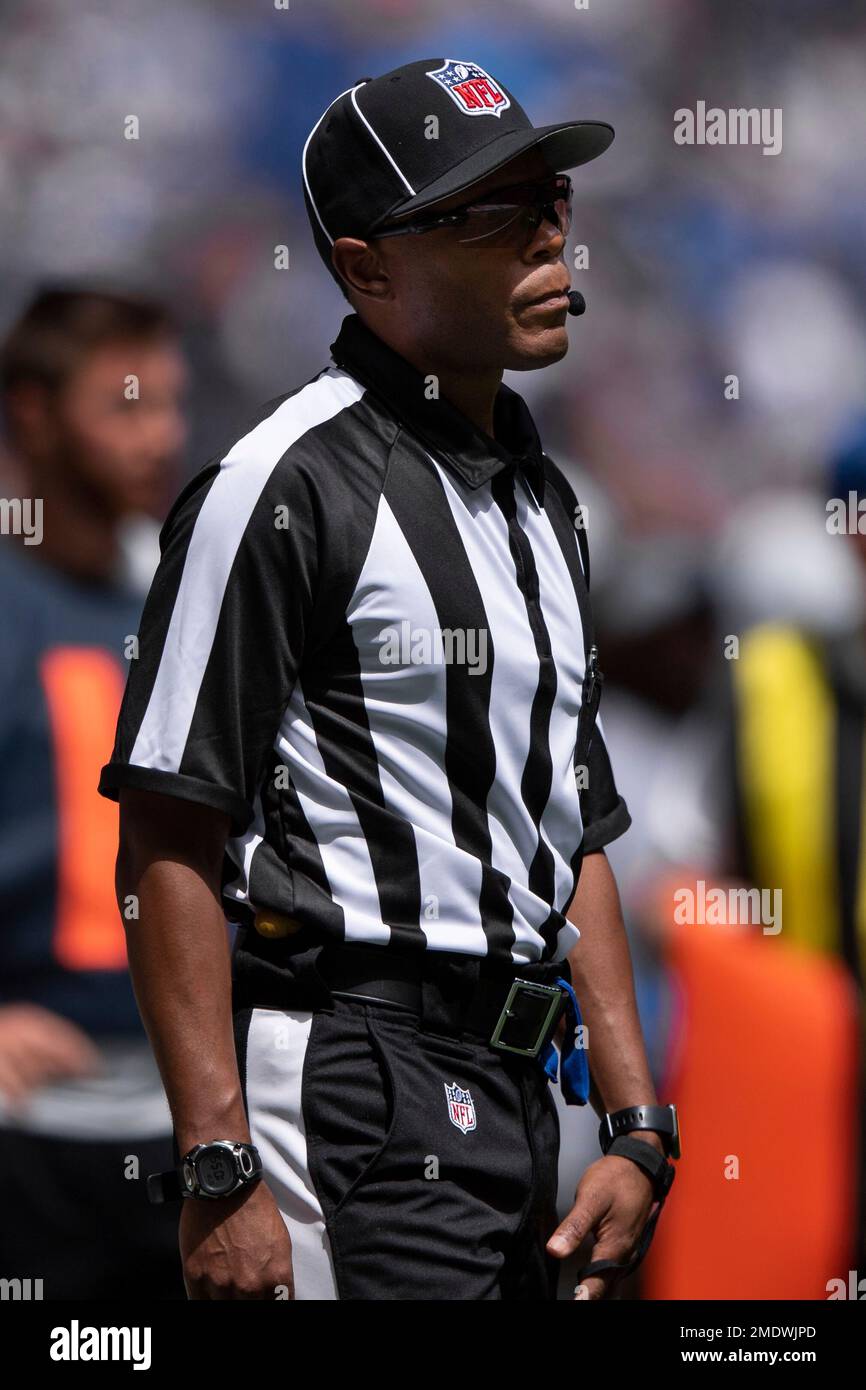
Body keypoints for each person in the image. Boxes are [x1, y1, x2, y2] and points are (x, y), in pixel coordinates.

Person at [100, 58, 679, 1301]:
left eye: (551, 197)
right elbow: (165, 824)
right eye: (487, 211)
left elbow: (570, 825)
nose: (546, 235)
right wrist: (215, 1159)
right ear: (367, 269)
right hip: (351, 1079)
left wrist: (638, 1124)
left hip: (518, 1087)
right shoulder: (282, 486)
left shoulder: (543, 498)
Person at [0, 286, 189, 1297]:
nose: (161, 435)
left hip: (177, 1128)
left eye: (170, 403)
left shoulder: (173, 602)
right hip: (28, 1142)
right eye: (126, 405)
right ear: (33, 410)